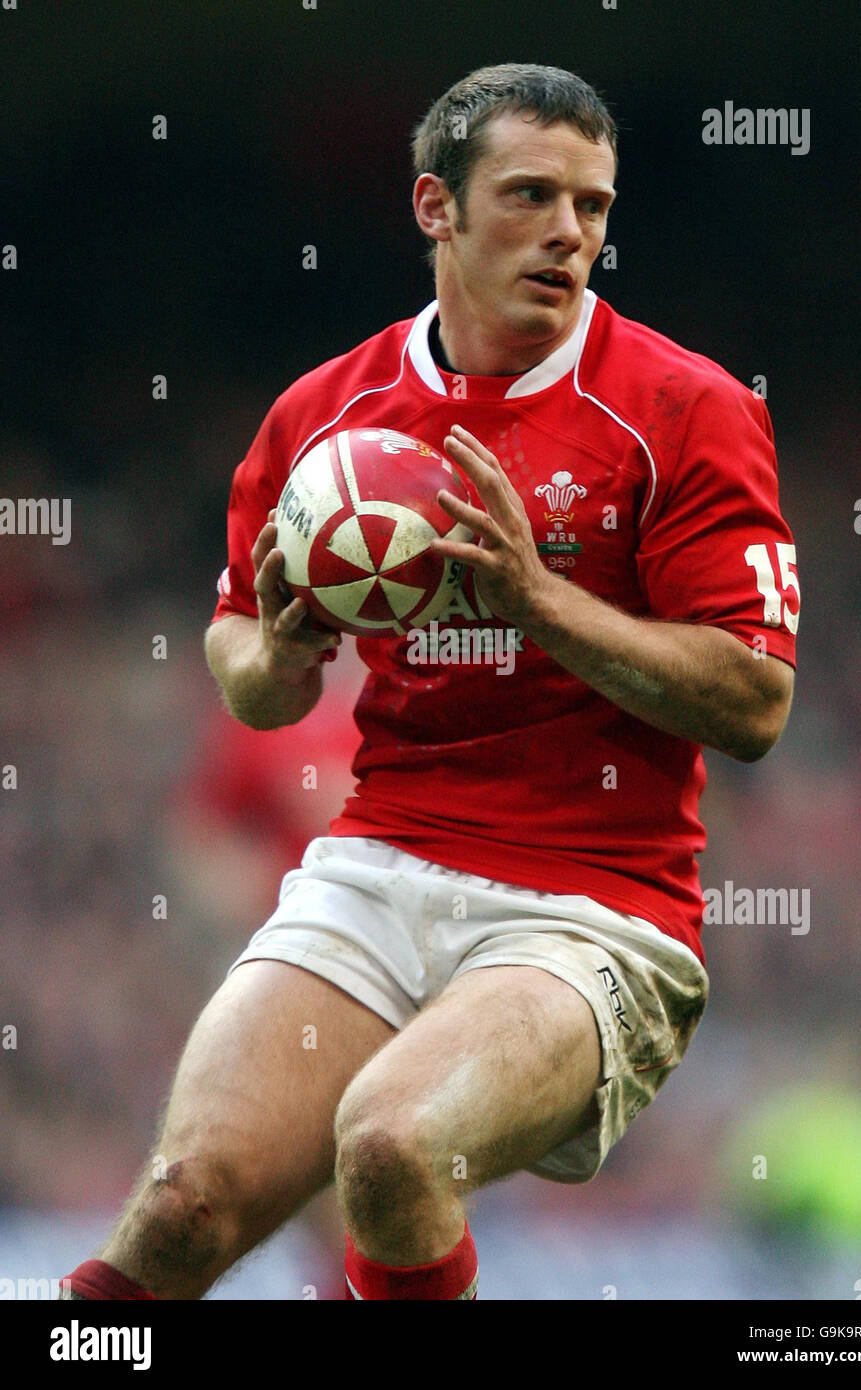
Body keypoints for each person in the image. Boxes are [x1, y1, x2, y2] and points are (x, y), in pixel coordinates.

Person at [61, 62, 798, 1302]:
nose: (568, 232)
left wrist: (538, 601)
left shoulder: (684, 410)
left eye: (592, 205)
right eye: (530, 194)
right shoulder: (328, 417)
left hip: (593, 907)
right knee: (183, 1208)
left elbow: (754, 702)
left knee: (394, 1147)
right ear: (434, 206)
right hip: (380, 867)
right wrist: (279, 655)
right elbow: (242, 661)